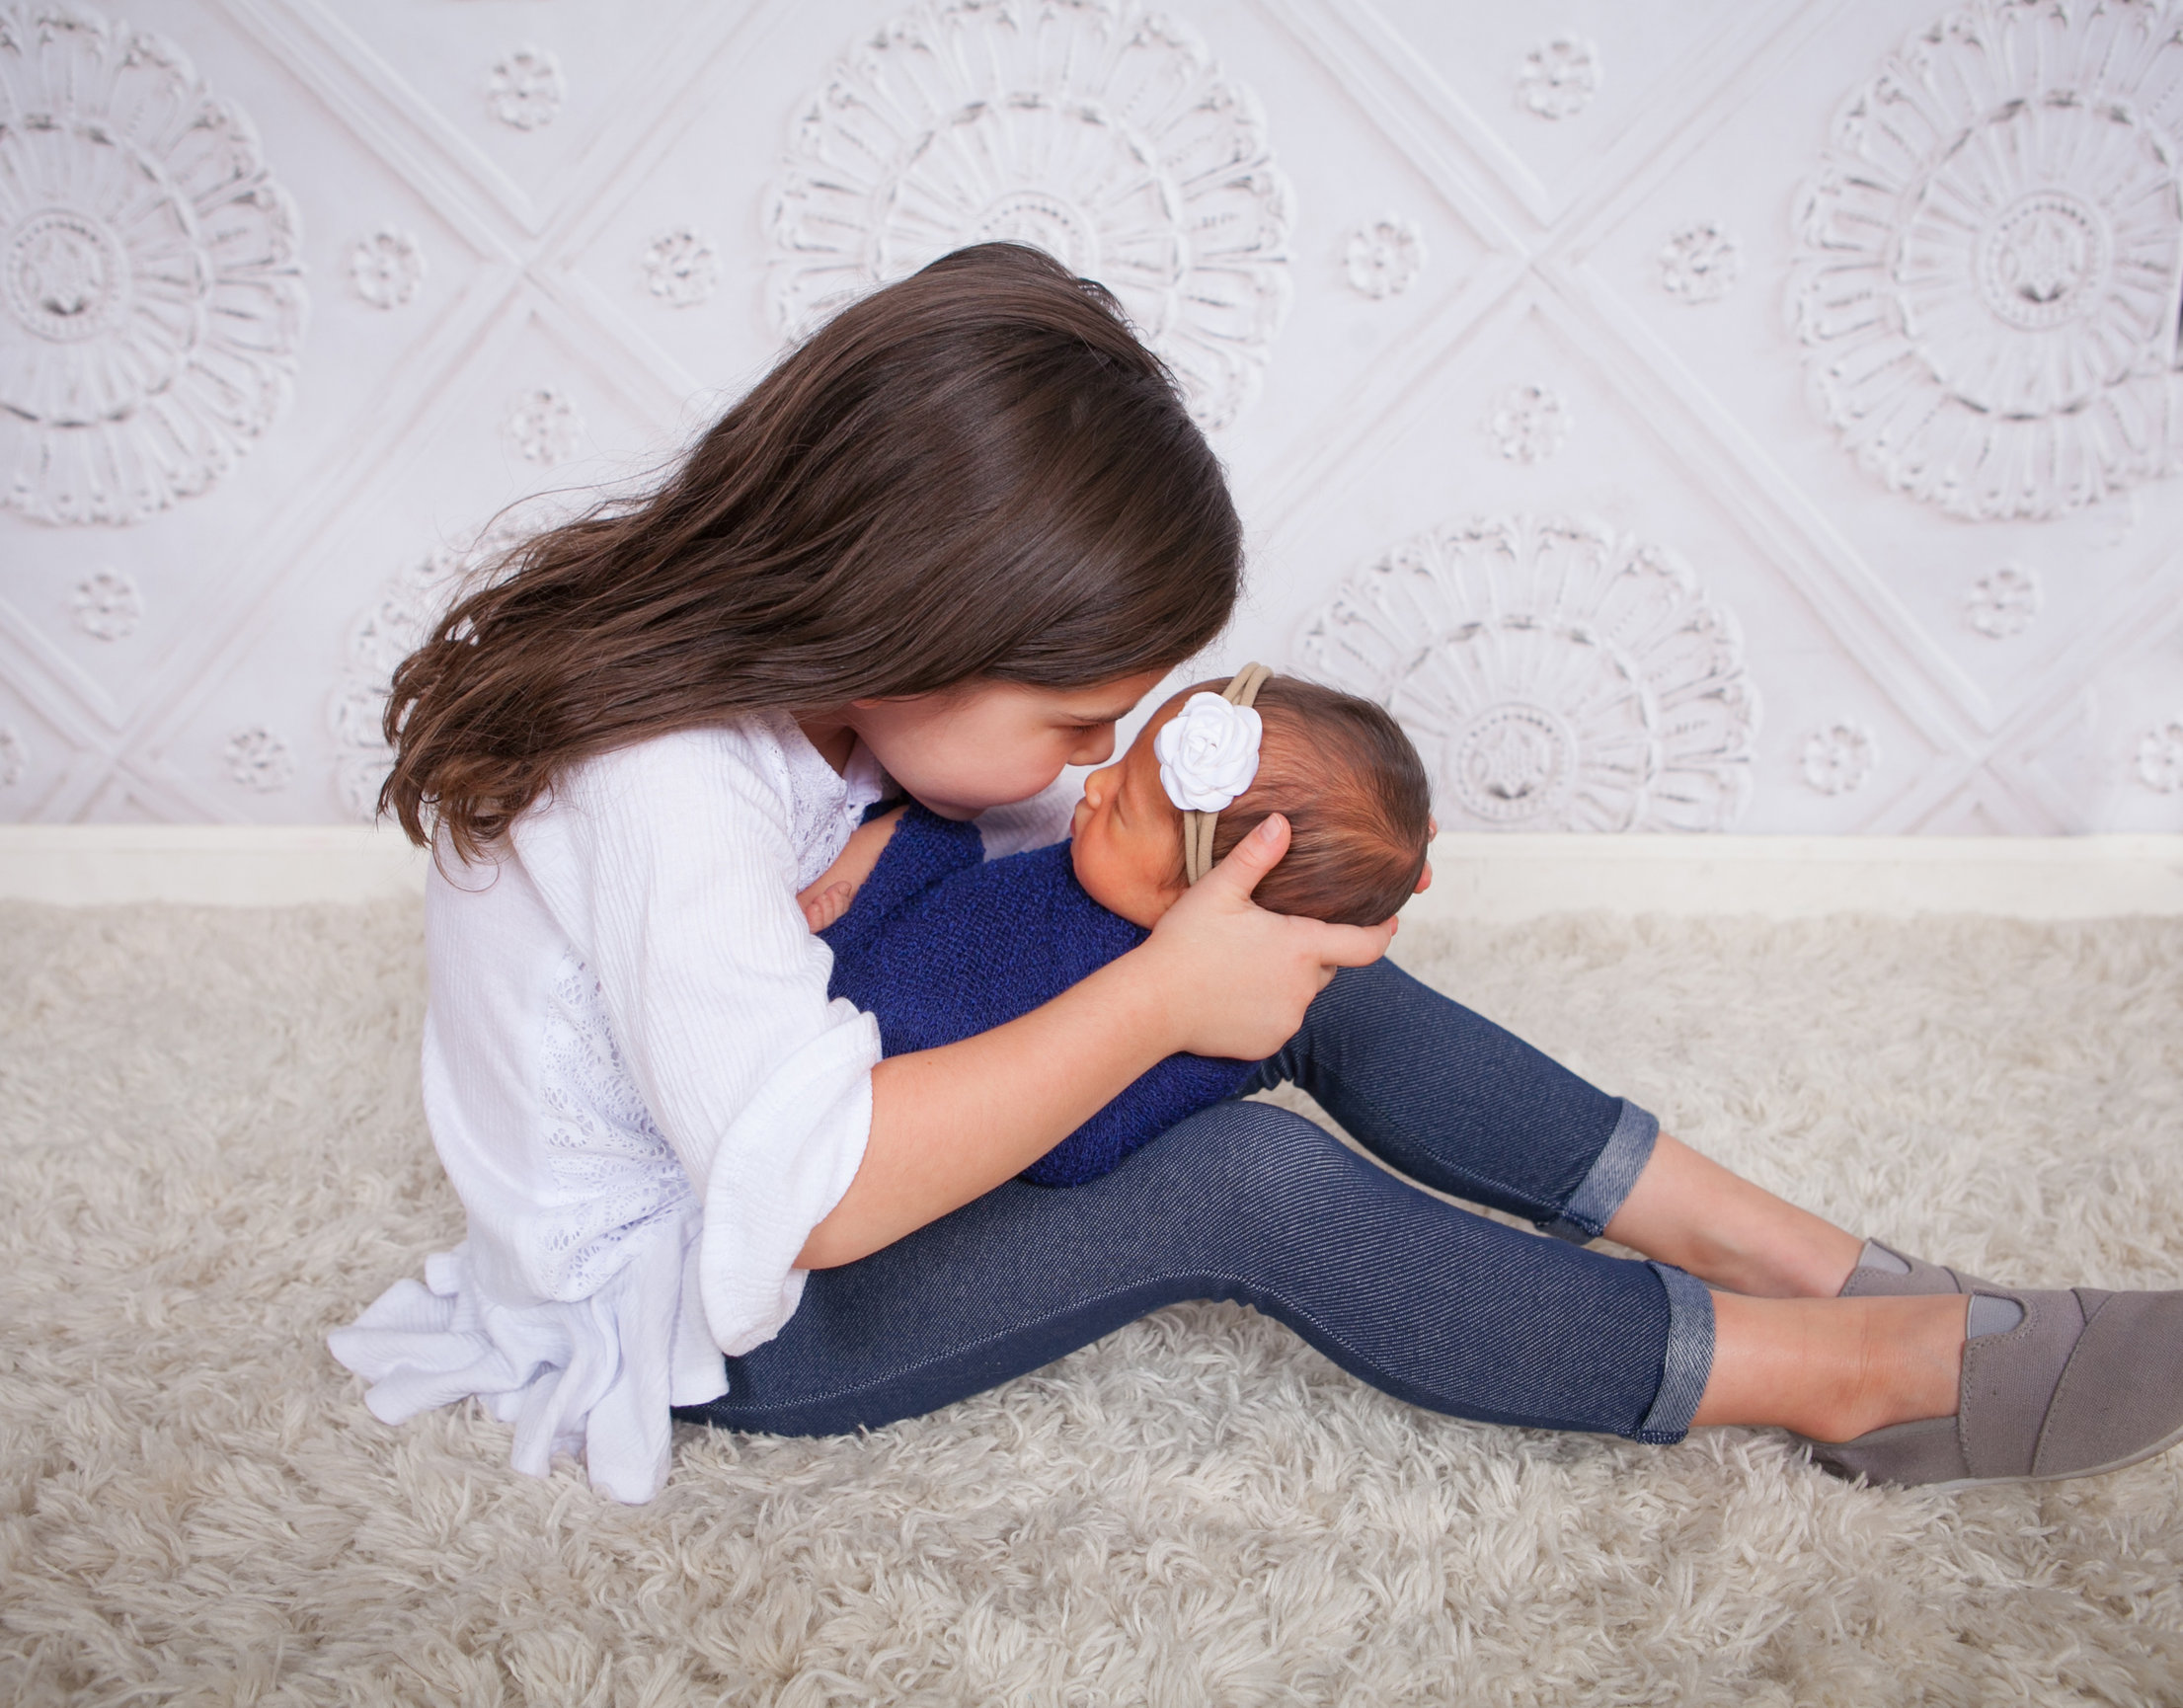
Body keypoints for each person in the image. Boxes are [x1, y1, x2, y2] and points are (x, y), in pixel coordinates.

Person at [329, 242, 2183, 1506]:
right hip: (718, 1325)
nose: (1093, 761)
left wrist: (1210, 912)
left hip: (854, 1089)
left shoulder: (839, 692)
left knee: (1278, 949)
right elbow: (809, 1197)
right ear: (903, 614)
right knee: (1244, 1176)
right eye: (1075, 725)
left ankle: (1794, 1257)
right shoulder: (661, 788)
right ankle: (1847, 1382)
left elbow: (1001, 864)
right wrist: (1152, 997)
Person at [807, 669, 1433, 1186]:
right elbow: (949, 864)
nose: (1097, 782)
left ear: (1203, 904)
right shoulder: (1092, 867)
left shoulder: (1189, 1021)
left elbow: (1073, 1151)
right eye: (1127, 764)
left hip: (938, 1116)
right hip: (851, 1113)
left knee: (1330, 995)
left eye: (1126, 806)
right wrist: (880, 860)